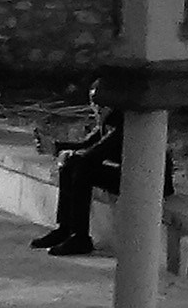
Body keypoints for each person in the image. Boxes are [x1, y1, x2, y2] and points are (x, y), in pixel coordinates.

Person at [33, 87, 124, 258]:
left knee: (79, 165)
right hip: (127, 173)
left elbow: (95, 154)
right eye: (93, 104)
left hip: (146, 180)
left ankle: (80, 237)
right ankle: (65, 228)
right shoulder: (108, 122)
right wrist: (56, 147)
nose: (95, 109)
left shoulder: (122, 124)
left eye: (98, 104)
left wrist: (70, 155)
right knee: (70, 164)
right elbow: (86, 145)